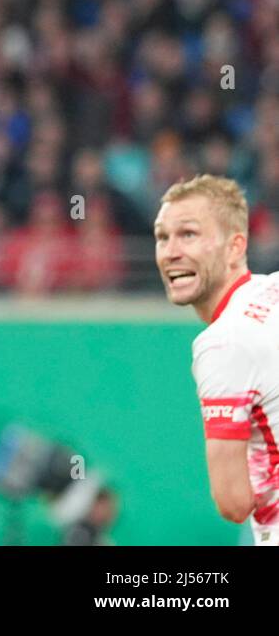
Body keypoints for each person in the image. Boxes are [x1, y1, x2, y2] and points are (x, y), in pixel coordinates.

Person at [154, 174, 279, 546]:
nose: (170, 251)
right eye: (162, 237)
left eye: (188, 234)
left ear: (234, 246)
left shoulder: (222, 344)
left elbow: (233, 503)